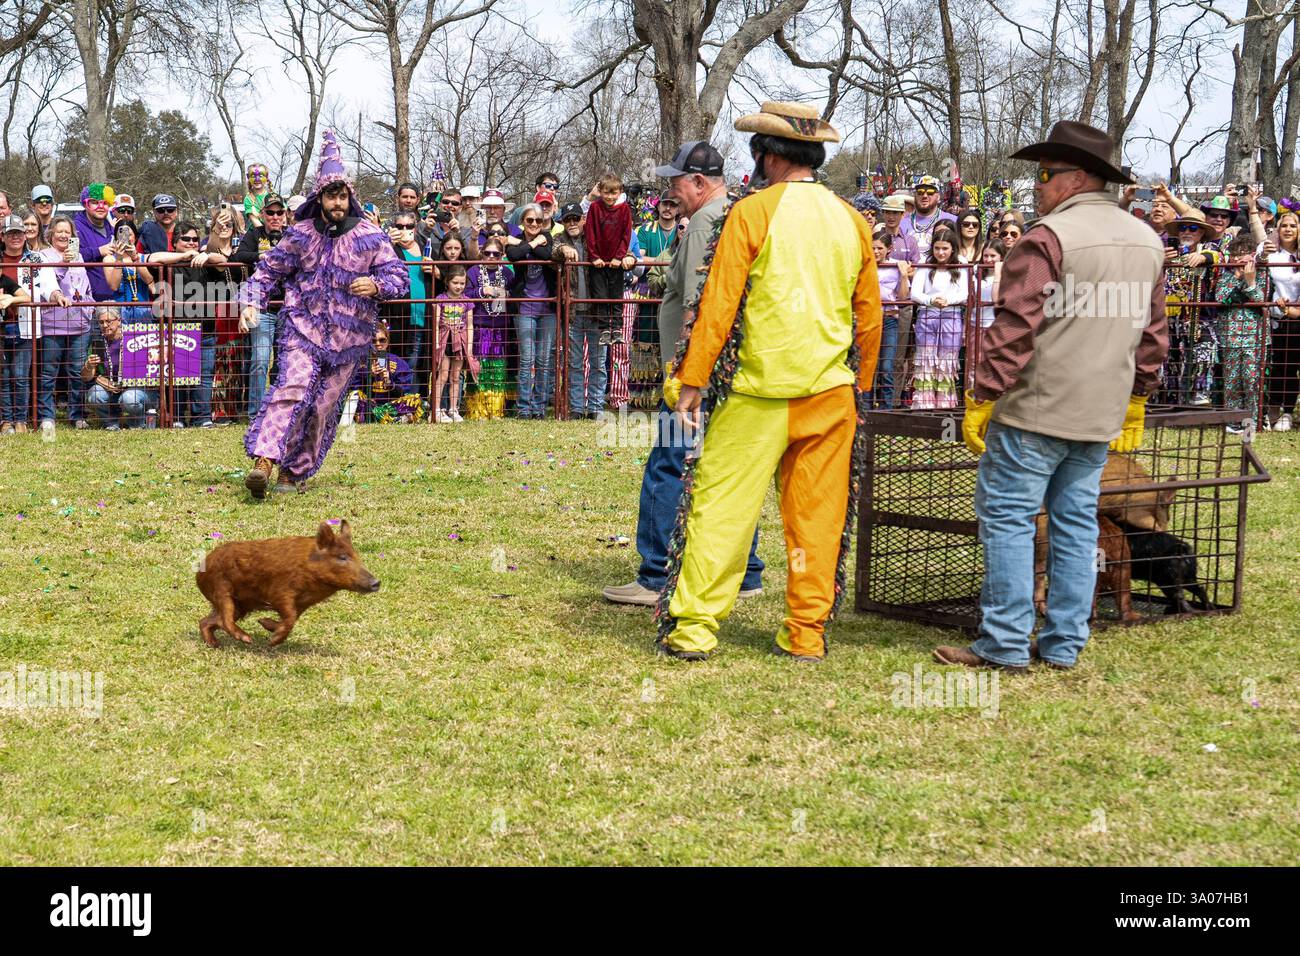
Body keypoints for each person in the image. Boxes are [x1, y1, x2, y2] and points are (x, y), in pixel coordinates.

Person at [655, 104, 880, 662]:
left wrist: (692, 380)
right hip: (830, 396)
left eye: (756, 154)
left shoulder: (751, 213)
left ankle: (694, 629)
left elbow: (719, 304)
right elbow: (869, 315)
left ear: (769, 157)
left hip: (758, 393)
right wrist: (865, 383)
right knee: (818, 519)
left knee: (720, 510)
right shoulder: (852, 220)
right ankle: (806, 632)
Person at [948, 120, 1169, 673]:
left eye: (1045, 175)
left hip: (1036, 409)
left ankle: (1003, 642)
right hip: (1101, 413)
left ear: (1076, 178)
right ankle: (1064, 643)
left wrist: (982, 395)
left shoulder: (1048, 237)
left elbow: (1016, 323)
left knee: (1009, 519)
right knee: (1076, 523)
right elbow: (1154, 333)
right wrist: (1138, 396)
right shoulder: (1148, 241)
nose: (1038, 186)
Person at [603, 140, 768, 609]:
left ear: (699, 182)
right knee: (728, 470)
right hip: (723, 368)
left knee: (668, 464)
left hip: (693, 372)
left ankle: (656, 573)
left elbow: (702, 305)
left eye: (677, 180)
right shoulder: (736, 215)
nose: (671, 190)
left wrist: (686, 372)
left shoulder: (703, 223)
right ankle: (747, 569)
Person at [236, 129, 408, 498]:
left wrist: (377, 286)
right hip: (304, 328)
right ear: (320, 198)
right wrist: (250, 301)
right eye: (331, 195)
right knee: (292, 389)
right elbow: (267, 272)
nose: (337, 202)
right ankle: (264, 462)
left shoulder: (370, 236)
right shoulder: (299, 234)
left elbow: (398, 276)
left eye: (342, 195)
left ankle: (292, 473)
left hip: (351, 338)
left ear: (350, 197)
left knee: (323, 407)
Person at [230, 192, 290, 417]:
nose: (275, 216)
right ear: (263, 214)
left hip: (288, 307)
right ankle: (255, 412)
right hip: (261, 307)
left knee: (284, 361)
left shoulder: (292, 235)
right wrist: (261, 256)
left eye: (279, 212)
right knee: (260, 361)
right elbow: (239, 256)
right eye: (270, 212)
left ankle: (280, 410)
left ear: (284, 214)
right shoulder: (254, 234)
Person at [35, 216, 96, 430]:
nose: (63, 235)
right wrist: (64, 264)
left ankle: (77, 414)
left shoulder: (78, 255)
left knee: (77, 373)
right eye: (59, 231)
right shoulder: (43, 256)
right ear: (50, 234)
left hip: (80, 325)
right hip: (54, 325)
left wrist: (89, 308)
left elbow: (85, 287)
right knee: (49, 373)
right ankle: (47, 417)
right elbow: (48, 285)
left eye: (67, 232)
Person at [504, 202, 557, 419]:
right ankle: (524, 407)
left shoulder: (548, 238)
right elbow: (513, 256)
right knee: (527, 359)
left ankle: (540, 406)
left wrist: (526, 244)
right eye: (530, 220)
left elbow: (546, 255)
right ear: (522, 222)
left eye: (539, 221)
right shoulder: (515, 241)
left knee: (544, 359)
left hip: (547, 307)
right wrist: (532, 242)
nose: (535, 224)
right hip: (524, 306)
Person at [1213, 233, 1269, 431]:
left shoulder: (1262, 274)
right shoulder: (1226, 275)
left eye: (1243, 254)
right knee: (1232, 382)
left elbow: (1260, 301)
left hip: (1256, 338)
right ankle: (1232, 421)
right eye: (1234, 255)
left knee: (1253, 380)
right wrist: (1237, 278)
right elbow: (1220, 298)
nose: (1238, 259)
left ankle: (1253, 421)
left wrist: (1250, 281)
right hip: (1230, 337)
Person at [554, 202, 605, 419]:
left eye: (576, 218)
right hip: (573, 312)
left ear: (583, 219)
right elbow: (553, 250)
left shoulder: (593, 238)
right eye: (568, 219)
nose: (572, 223)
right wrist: (563, 249)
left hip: (596, 310)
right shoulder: (560, 239)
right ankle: (576, 407)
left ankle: (595, 407)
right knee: (573, 363)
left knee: (598, 362)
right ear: (563, 222)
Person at [908, 224, 966, 408]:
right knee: (925, 360)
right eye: (937, 248)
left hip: (951, 316)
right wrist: (931, 300)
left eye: (945, 249)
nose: (941, 253)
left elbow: (965, 293)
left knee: (947, 362)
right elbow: (915, 293)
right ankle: (924, 405)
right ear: (932, 248)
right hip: (927, 316)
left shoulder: (961, 264)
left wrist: (948, 300)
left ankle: (945, 405)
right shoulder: (925, 263)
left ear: (952, 249)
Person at [82, 307, 154, 429]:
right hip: (112, 389)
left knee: (129, 398)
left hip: (138, 389)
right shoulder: (97, 342)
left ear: (119, 320)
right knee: (94, 394)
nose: (105, 325)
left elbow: (148, 370)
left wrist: (126, 383)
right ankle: (111, 423)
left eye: (109, 321)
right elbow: (86, 377)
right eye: (101, 322)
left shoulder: (134, 338)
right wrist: (89, 367)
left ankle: (137, 423)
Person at [384, 209, 434, 380]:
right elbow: (378, 264)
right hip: (397, 316)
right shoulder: (389, 248)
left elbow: (445, 277)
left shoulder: (426, 247)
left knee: (416, 361)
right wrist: (387, 242)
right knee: (393, 359)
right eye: (400, 226)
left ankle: (412, 401)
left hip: (422, 315)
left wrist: (436, 271)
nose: (405, 229)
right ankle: (392, 398)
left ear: (415, 227)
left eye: (409, 225)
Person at [1263, 209, 1300, 430]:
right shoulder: (1271, 255)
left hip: (1296, 316)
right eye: (1284, 225)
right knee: (1279, 367)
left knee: (1292, 365)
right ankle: (1274, 410)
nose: (1288, 229)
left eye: (1293, 226)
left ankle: (1288, 410)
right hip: (1277, 318)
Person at [0, 216, 35, 434]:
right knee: (3, 377)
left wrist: (11, 299)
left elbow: (27, 296)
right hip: (2, 331)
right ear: (2, 236)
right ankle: (6, 421)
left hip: (24, 327)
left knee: (21, 376)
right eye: (10, 233)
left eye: (18, 232)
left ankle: (21, 420)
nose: (15, 236)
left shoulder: (33, 258)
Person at [869, 227, 910, 409]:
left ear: (888, 249)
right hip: (869, 318)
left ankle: (887, 409)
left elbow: (902, 297)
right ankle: (866, 407)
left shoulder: (895, 265)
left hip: (889, 318)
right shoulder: (865, 264)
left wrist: (902, 275)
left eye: (879, 248)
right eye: (873, 248)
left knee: (886, 366)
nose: (876, 252)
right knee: (869, 365)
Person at [431, 265, 476, 422]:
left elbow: (470, 325)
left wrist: (469, 347)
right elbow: (436, 324)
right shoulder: (440, 300)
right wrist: (436, 343)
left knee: (456, 377)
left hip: (460, 342)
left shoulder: (467, 302)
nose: (459, 286)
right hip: (444, 341)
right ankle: (436, 409)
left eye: (462, 283)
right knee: (442, 376)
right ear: (447, 282)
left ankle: (453, 409)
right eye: (455, 283)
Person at [72, 183, 118, 302]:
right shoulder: (74, 227)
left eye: (105, 203)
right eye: (94, 202)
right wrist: (98, 251)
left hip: (114, 298)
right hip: (88, 300)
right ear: (85, 204)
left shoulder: (112, 229)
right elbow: (72, 256)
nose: (100, 206)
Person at [900, 174, 957, 259]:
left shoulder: (952, 221)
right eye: (920, 192)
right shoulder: (902, 223)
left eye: (930, 192)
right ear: (915, 196)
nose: (925, 196)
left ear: (938, 197)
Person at [139, 194, 180, 259]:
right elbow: (138, 258)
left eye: (170, 210)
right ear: (155, 213)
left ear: (176, 212)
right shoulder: (146, 233)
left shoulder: (185, 232)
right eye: (161, 210)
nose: (166, 213)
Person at [242, 163, 274, 230]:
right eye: (253, 176)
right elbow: (256, 222)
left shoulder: (273, 196)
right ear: (248, 177)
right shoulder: (248, 199)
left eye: (261, 175)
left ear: (266, 176)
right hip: (257, 234)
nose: (257, 179)